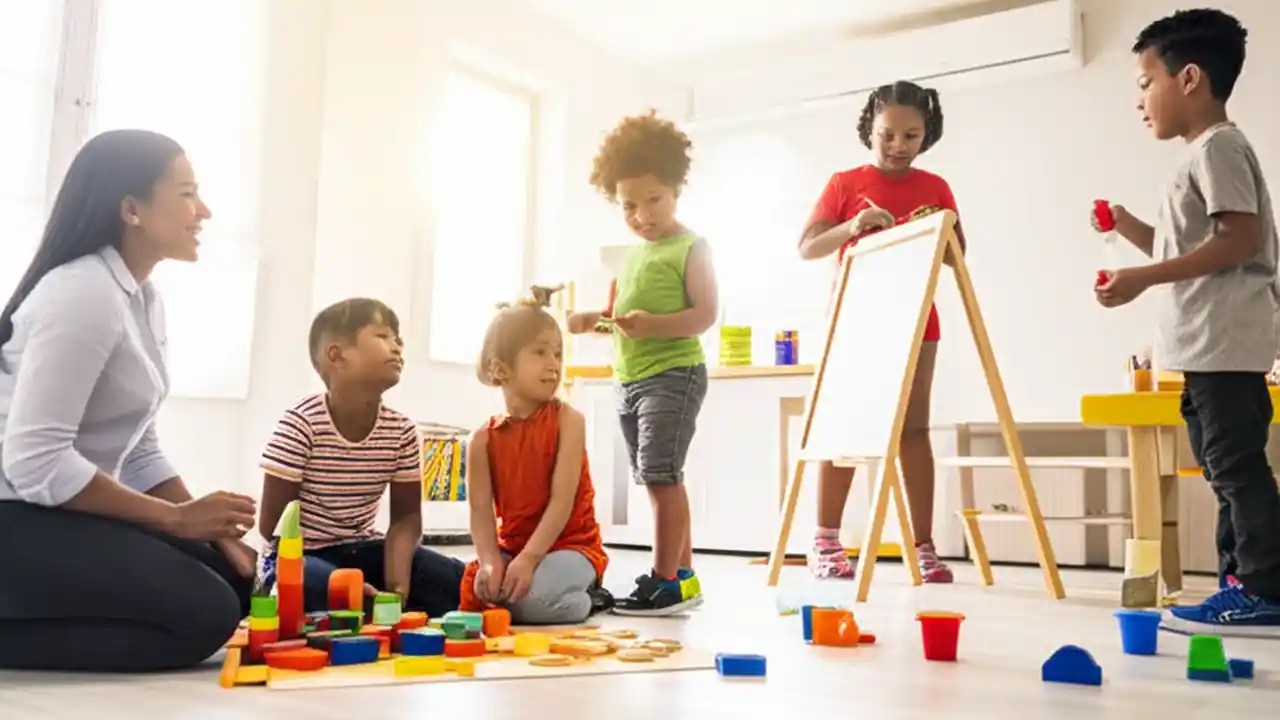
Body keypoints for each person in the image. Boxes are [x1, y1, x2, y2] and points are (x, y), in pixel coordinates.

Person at [0, 130, 258, 671]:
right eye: (187, 193)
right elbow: (34, 461)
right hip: (16, 515)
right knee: (205, 614)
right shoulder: (81, 291)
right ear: (131, 209)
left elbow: (138, 446)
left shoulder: (141, 297)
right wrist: (173, 520)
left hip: (57, 512)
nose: (203, 211)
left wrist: (209, 529)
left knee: (235, 584)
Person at [1093, 9, 1280, 636]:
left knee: (1235, 467)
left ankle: (1263, 588)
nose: (1139, 101)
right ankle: (1240, 586)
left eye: (1146, 83)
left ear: (1190, 77)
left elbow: (1238, 242)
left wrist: (1141, 280)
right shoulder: (1204, 154)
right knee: (1224, 465)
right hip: (1206, 346)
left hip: (1224, 342)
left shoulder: (1220, 146)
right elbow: (1194, 250)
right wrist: (1128, 228)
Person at [797, 81, 966, 583]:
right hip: (856, 322)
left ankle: (924, 546)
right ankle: (826, 542)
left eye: (910, 135)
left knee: (915, 430)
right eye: (887, 134)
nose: (898, 145)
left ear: (926, 135)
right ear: (869, 131)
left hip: (918, 321)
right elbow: (807, 247)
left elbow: (957, 257)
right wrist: (853, 227)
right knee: (846, 429)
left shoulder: (935, 186)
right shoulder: (845, 182)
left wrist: (939, 225)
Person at [568, 110, 717, 615]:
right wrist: (594, 320)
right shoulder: (631, 256)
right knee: (661, 475)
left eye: (653, 200)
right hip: (630, 378)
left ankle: (663, 579)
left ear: (675, 188)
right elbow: (620, 320)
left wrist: (650, 324)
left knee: (659, 476)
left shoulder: (691, 247)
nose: (642, 214)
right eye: (630, 205)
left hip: (674, 373)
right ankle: (684, 578)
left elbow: (704, 315)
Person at [257, 298, 465, 617]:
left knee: (458, 582)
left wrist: (398, 587)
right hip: (299, 555)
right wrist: (338, 582)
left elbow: (406, 519)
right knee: (308, 582)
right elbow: (273, 523)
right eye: (383, 336)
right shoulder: (301, 423)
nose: (397, 347)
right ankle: (354, 599)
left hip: (364, 551)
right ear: (337, 356)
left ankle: (365, 602)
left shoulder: (401, 430)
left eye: (399, 340)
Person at [458, 291, 611, 623]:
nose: (553, 364)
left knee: (532, 603)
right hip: (515, 548)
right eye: (540, 353)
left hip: (571, 547)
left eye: (557, 354)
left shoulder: (569, 421)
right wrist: (489, 561)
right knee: (476, 588)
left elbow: (561, 503)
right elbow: (481, 512)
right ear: (501, 370)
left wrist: (528, 560)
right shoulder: (483, 439)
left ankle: (590, 598)